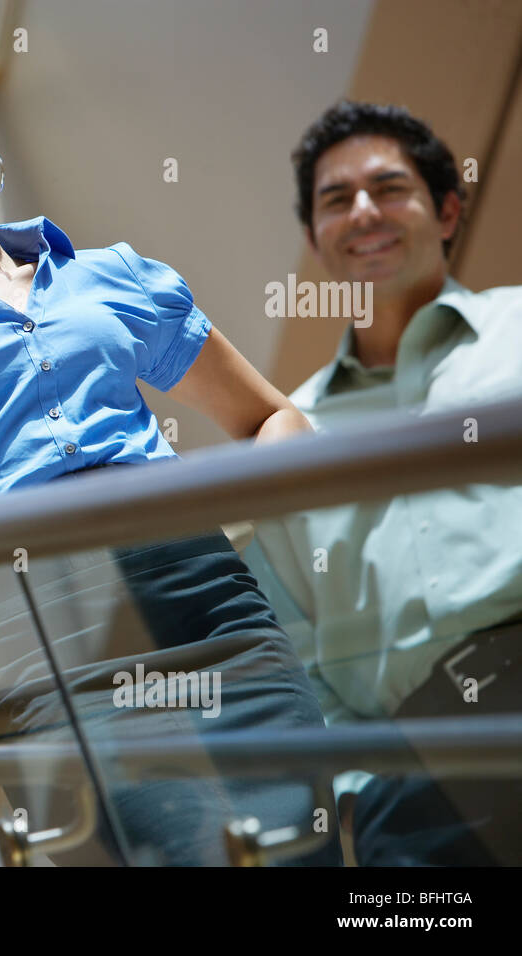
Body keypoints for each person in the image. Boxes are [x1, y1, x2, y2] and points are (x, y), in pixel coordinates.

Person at [0, 40, 342, 865]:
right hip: (29, 628)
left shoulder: (112, 274)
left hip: (211, 605)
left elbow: (271, 419)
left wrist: (215, 519)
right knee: (184, 851)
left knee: (304, 849)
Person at [242, 101, 522, 865]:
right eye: (336, 200)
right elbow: (293, 647)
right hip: (414, 774)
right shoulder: (285, 430)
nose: (363, 210)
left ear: (448, 210)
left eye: (389, 188)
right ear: (314, 240)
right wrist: (361, 785)